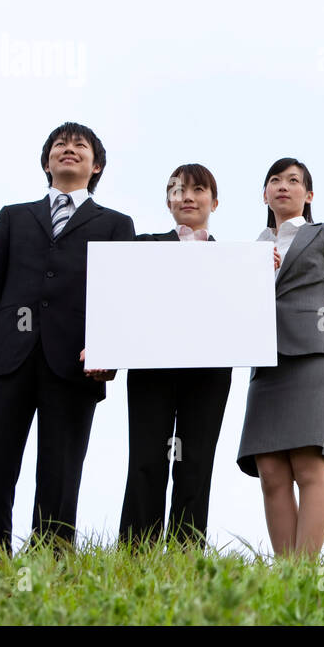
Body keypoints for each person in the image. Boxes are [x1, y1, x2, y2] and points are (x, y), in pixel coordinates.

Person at [0, 122, 136, 554]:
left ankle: (52, 555)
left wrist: (107, 349)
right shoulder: (13, 216)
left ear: (96, 166)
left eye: (80, 146)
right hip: (5, 354)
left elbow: (120, 294)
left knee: (60, 468)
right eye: (60, 144)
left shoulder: (116, 224)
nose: (69, 149)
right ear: (47, 162)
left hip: (77, 360)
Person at [117, 164, 279, 550]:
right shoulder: (141, 246)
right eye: (178, 189)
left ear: (214, 201)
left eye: (198, 189)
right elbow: (121, 301)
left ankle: (185, 553)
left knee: (196, 461)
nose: (187, 196)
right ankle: (135, 552)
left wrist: (262, 274)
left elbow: (245, 315)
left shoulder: (235, 260)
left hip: (208, 373)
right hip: (150, 369)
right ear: (168, 201)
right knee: (145, 458)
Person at [236, 158, 324, 560]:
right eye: (275, 180)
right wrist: (256, 272)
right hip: (265, 364)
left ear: (308, 196)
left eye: (293, 181)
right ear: (265, 194)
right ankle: (287, 573)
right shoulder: (250, 249)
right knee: (270, 472)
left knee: (308, 465)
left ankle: (305, 572)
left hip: (314, 356)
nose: (283, 186)